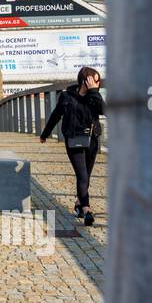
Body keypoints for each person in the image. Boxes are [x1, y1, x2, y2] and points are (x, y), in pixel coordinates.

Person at [40, 66, 105, 225]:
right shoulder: (66, 96)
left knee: (87, 176)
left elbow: (104, 110)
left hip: (92, 141)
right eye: (95, 80)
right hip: (74, 141)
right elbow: (56, 115)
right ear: (86, 80)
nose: (98, 83)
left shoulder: (94, 97)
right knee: (82, 175)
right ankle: (86, 209)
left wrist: (94, 92)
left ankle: (79, 203)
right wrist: (45, 134)